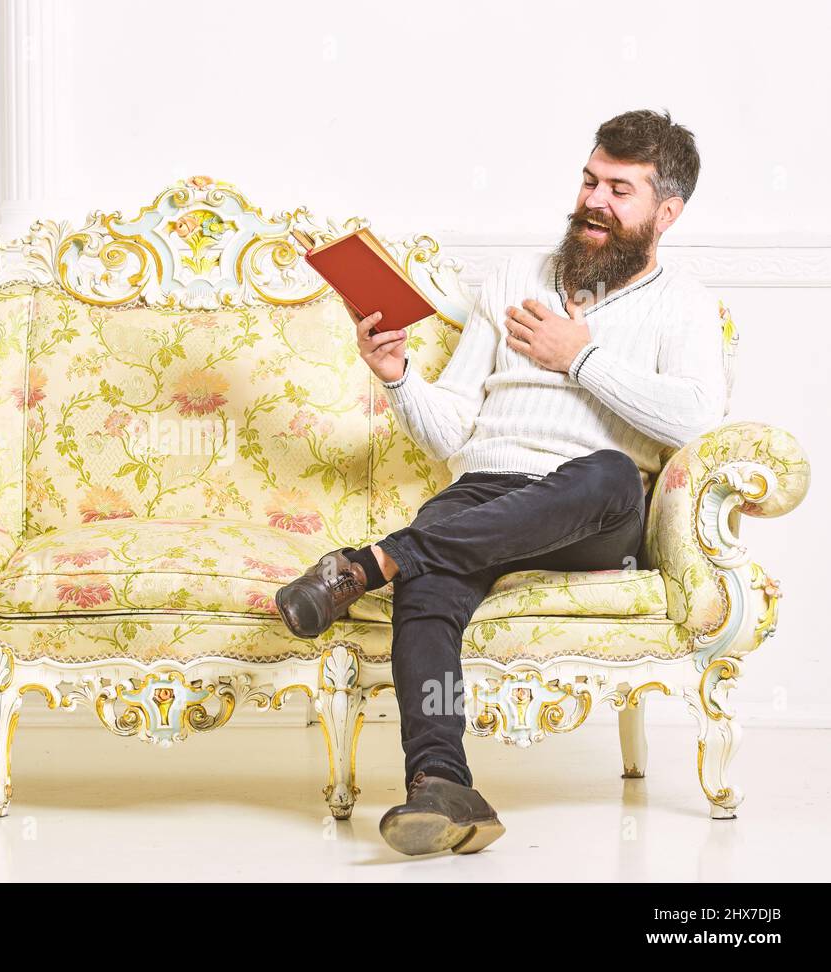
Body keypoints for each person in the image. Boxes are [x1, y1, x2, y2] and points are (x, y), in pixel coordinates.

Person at [273, 109, 727, 857]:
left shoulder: (684, 301)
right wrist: (400, 377)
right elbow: (456, 430)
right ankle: (442, 788)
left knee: (610, 473)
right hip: (484, 494)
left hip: (592, 511)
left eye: (621, 189)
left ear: (665, 212)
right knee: (428, 583)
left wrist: (578, 357)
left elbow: (697, 419)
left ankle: (371, 562)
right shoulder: (517, 277)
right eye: (589, 180)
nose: (595, 201)